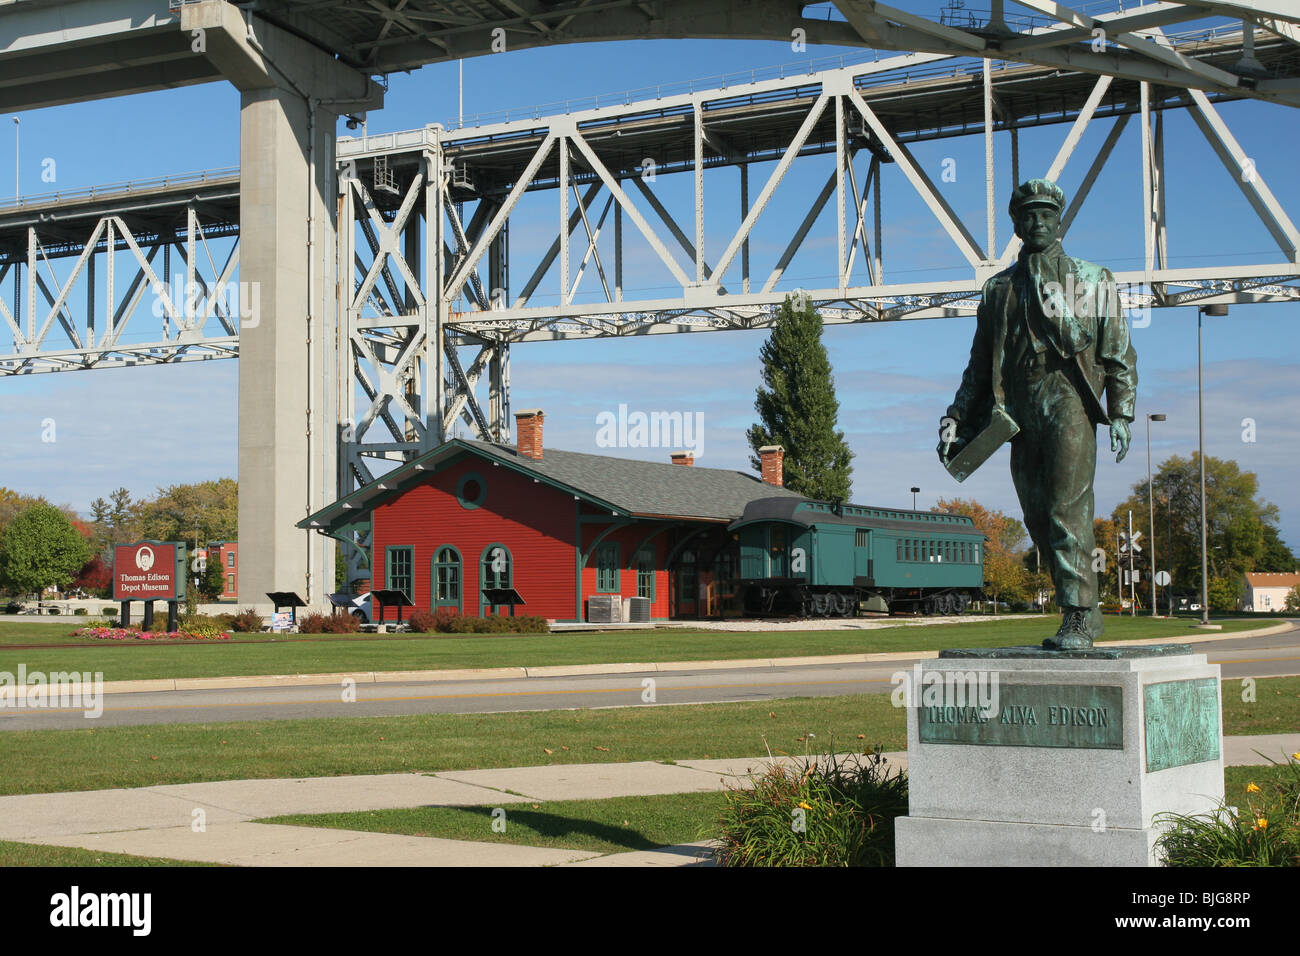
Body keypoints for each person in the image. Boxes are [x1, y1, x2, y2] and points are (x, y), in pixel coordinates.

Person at [939, 179, 1137, 649]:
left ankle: (1076, 613)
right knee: (1036, 514)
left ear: (1060, 219)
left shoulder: (1093, 279)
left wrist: (1122, 411)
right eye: (1029, 216)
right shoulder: (998, 289)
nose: (1038, 223)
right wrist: (956, 419)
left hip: (1069, 396)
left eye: (1047, 215)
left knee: (1066, 506)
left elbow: (1119, 351)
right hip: (1019, 405)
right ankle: (1084, 608)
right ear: (1017, 223)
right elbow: (979, 366)